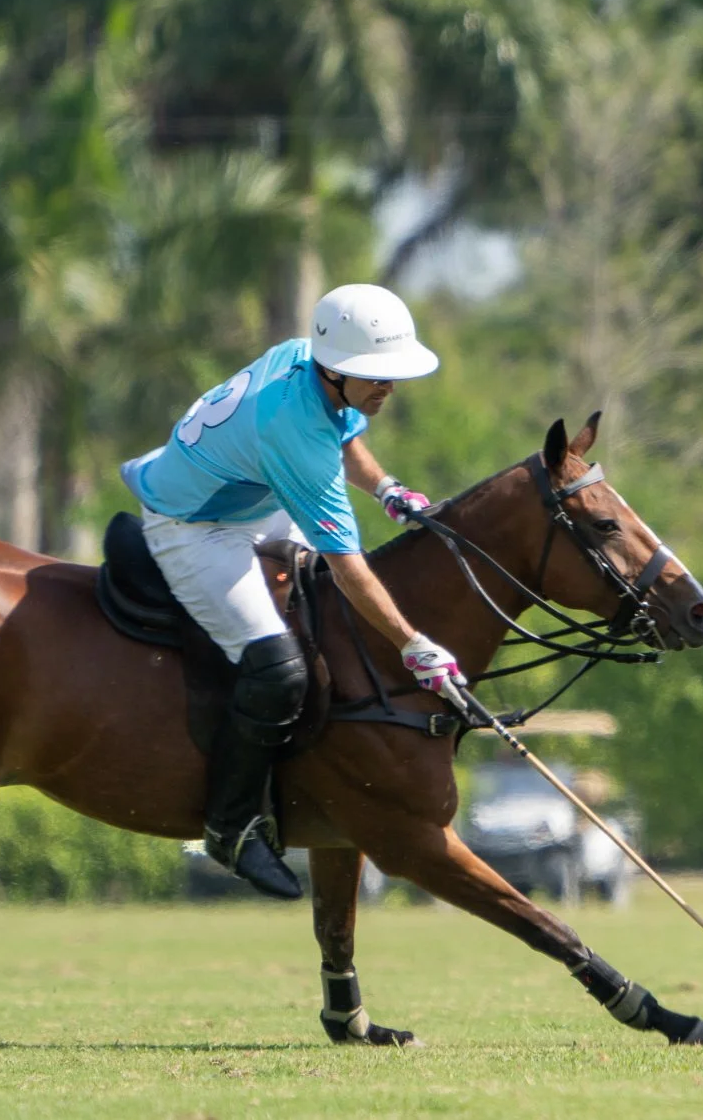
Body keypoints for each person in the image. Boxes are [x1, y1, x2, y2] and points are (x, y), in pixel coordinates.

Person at [120, 283, 463, 899]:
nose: (389, 386)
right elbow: (348, 562)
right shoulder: (294, 430)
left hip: (251, 499)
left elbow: (346, 432)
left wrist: (385, 486)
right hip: (196, 525)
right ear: (334, 370)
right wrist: (414, 645)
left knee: (331, 617)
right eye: (375, 375)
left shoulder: (308, 358)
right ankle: (231, 827)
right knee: (276, 667)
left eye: (392, 374)